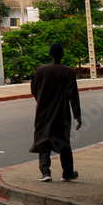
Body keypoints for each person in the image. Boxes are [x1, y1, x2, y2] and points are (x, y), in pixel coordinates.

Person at [29, 43, 82, 182]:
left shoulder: (41, 70)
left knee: (43, 141)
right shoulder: (68, 72)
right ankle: (67, 173)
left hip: (43, 113)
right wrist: (78, 116)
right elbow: (73, 95)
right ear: (62, 55)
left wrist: (40, 100)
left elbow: (34, 89)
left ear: (50, 55)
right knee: (63, 142)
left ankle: (45, 172)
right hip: (61, 113)